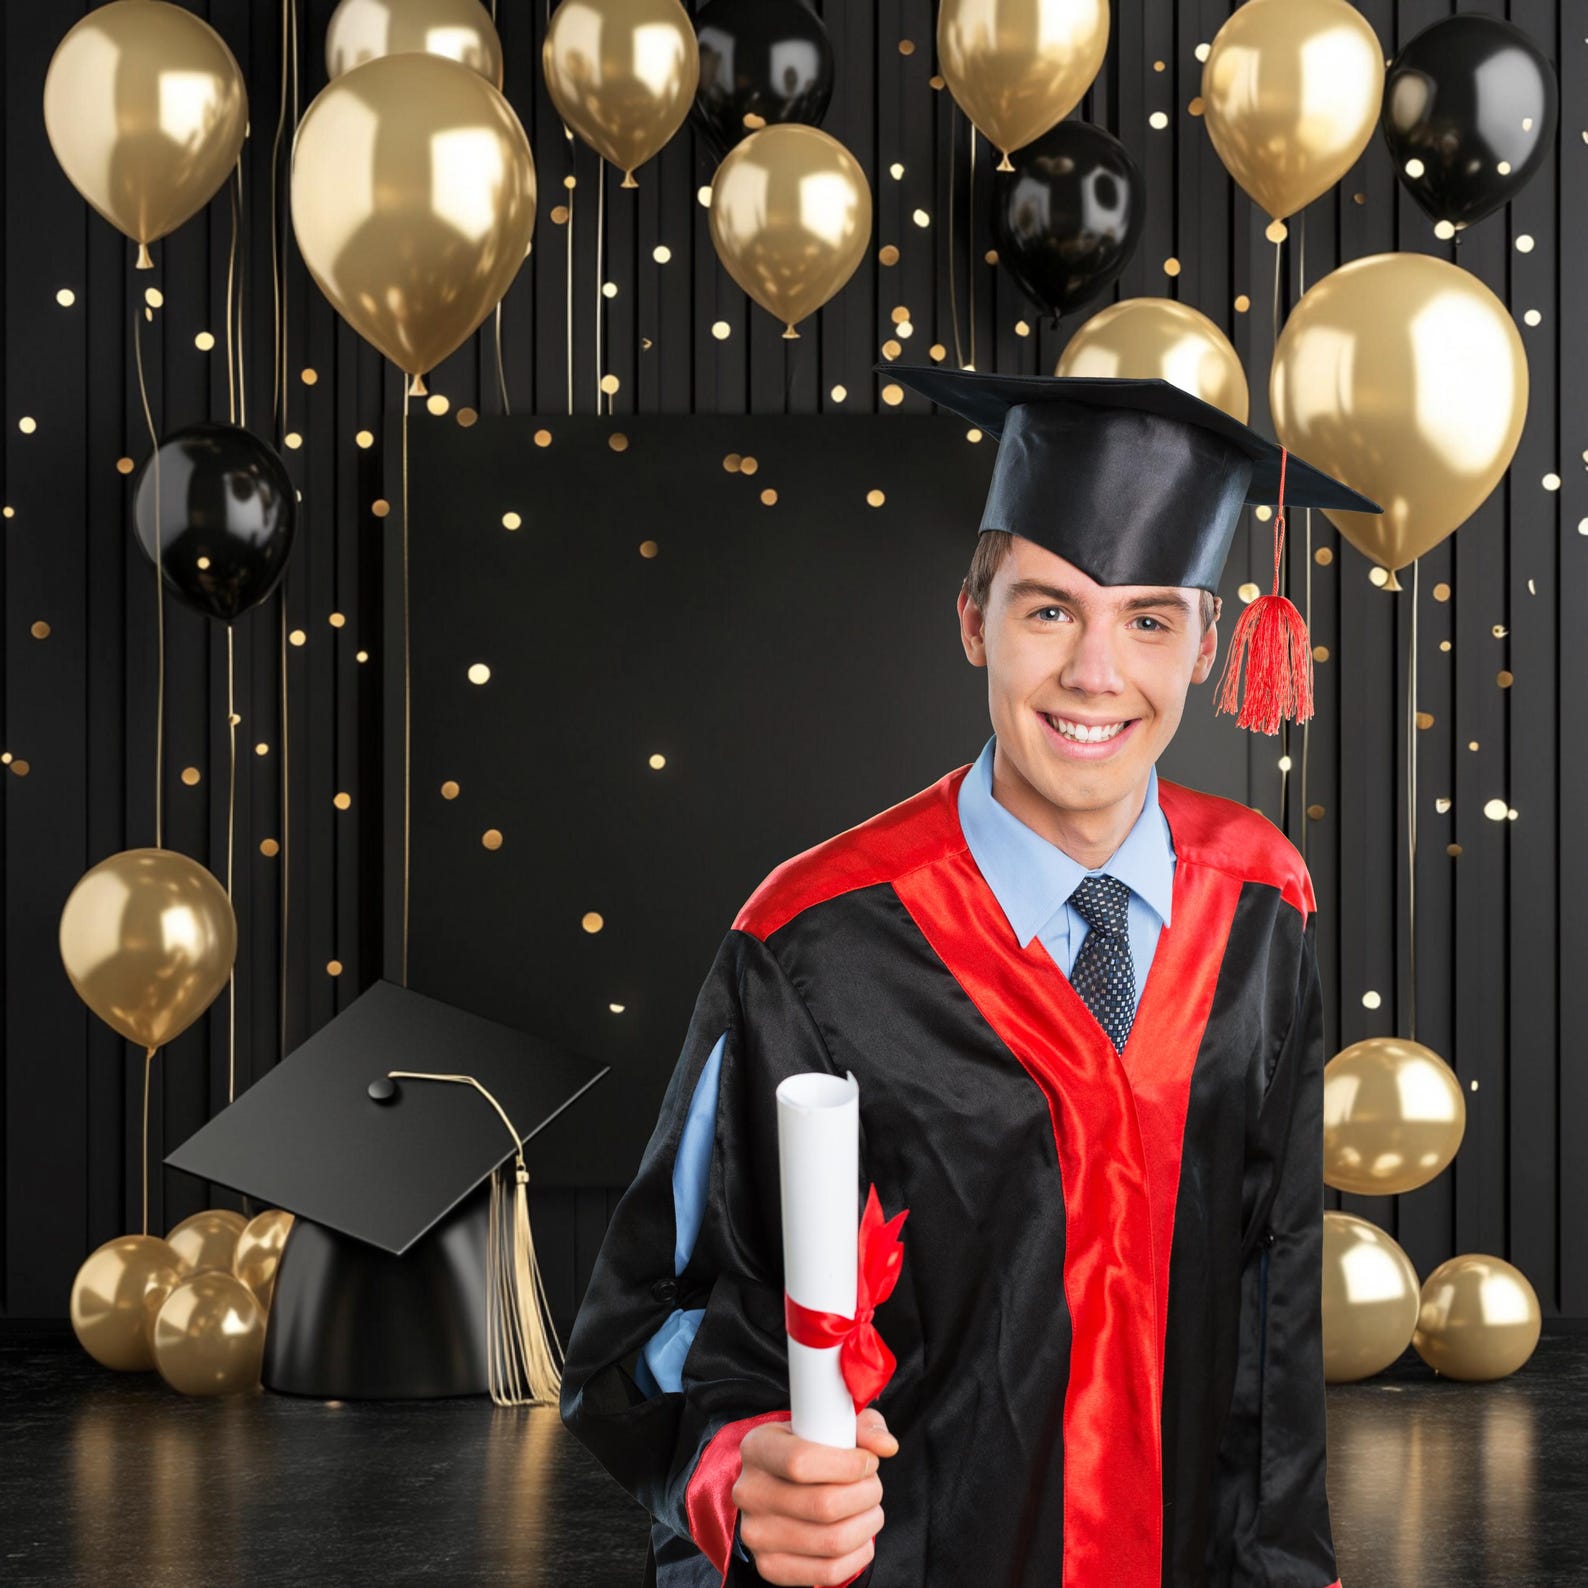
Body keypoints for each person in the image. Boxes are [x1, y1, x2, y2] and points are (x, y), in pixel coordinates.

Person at [560, 366, 1382, 1588]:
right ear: (972, 620)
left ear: (1208, 644)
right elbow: (644, 1327)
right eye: (1049, 609)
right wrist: (742, 1468)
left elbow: (1275, 1318)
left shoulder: (1259, 906)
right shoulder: (813, 942)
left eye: (1149, 618)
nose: (1098, 673)